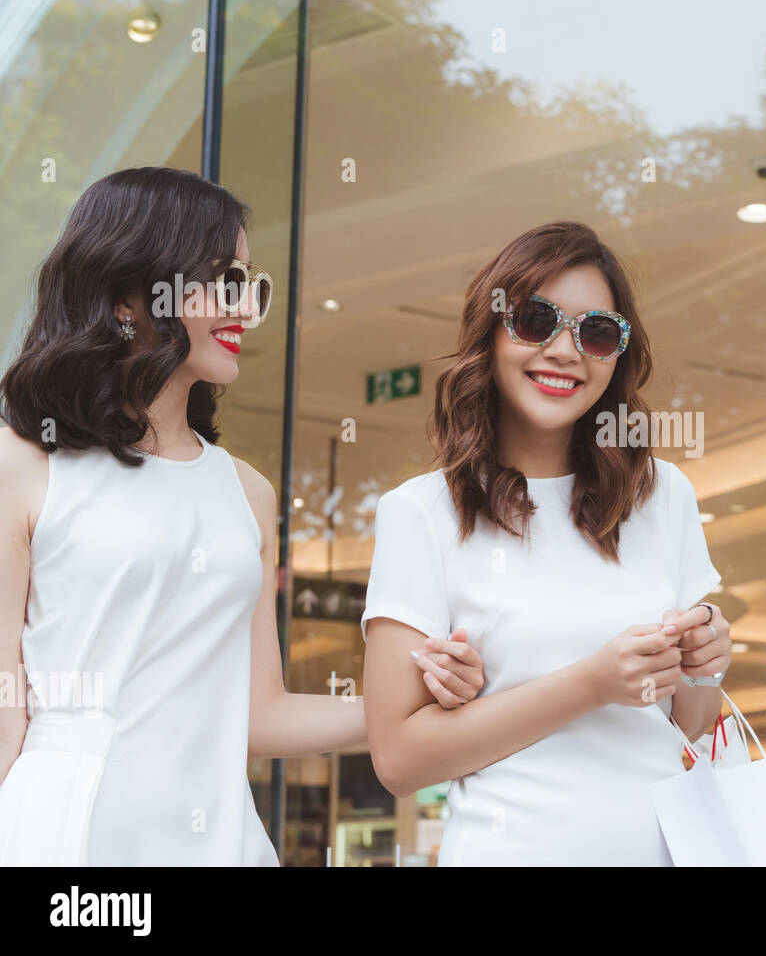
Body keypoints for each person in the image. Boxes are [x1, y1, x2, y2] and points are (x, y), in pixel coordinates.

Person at [0, 167, 473, 866]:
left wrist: (411, 703)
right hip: (68, 832)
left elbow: (262, 712)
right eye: (224, 279)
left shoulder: (247, 492)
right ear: (131, 287)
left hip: (218, 833)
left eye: (252, 283)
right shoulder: (24, 462)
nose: (246, 308)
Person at [362, 221, 733, 866]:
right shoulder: (419, 514)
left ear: (618, 356)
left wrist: (707, 661)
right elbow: (398, 760)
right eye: (536, 320)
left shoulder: (661, 495)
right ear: (490, 332)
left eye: (595, 332)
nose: (565, 351)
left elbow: (689, 724)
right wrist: (591, 683)